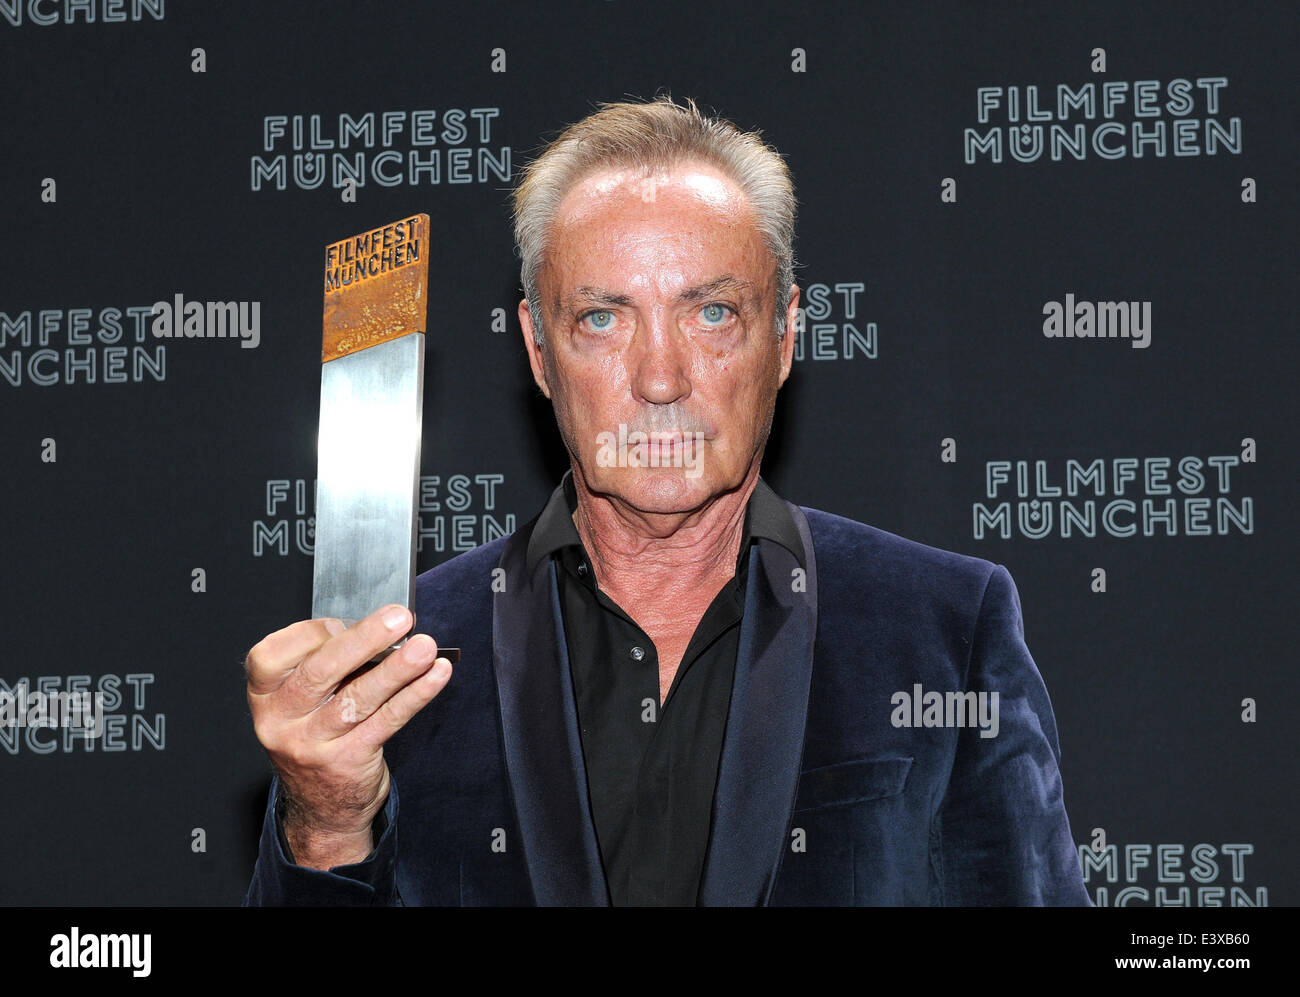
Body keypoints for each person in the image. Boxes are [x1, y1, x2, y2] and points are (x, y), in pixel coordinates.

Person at [243, 95, 1090, 906]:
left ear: (786, 336)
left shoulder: (942, 628)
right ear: (539, 351)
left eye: (712, 312)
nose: (660, 379)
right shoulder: (398, 660)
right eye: (604, 319)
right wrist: (324, 825)